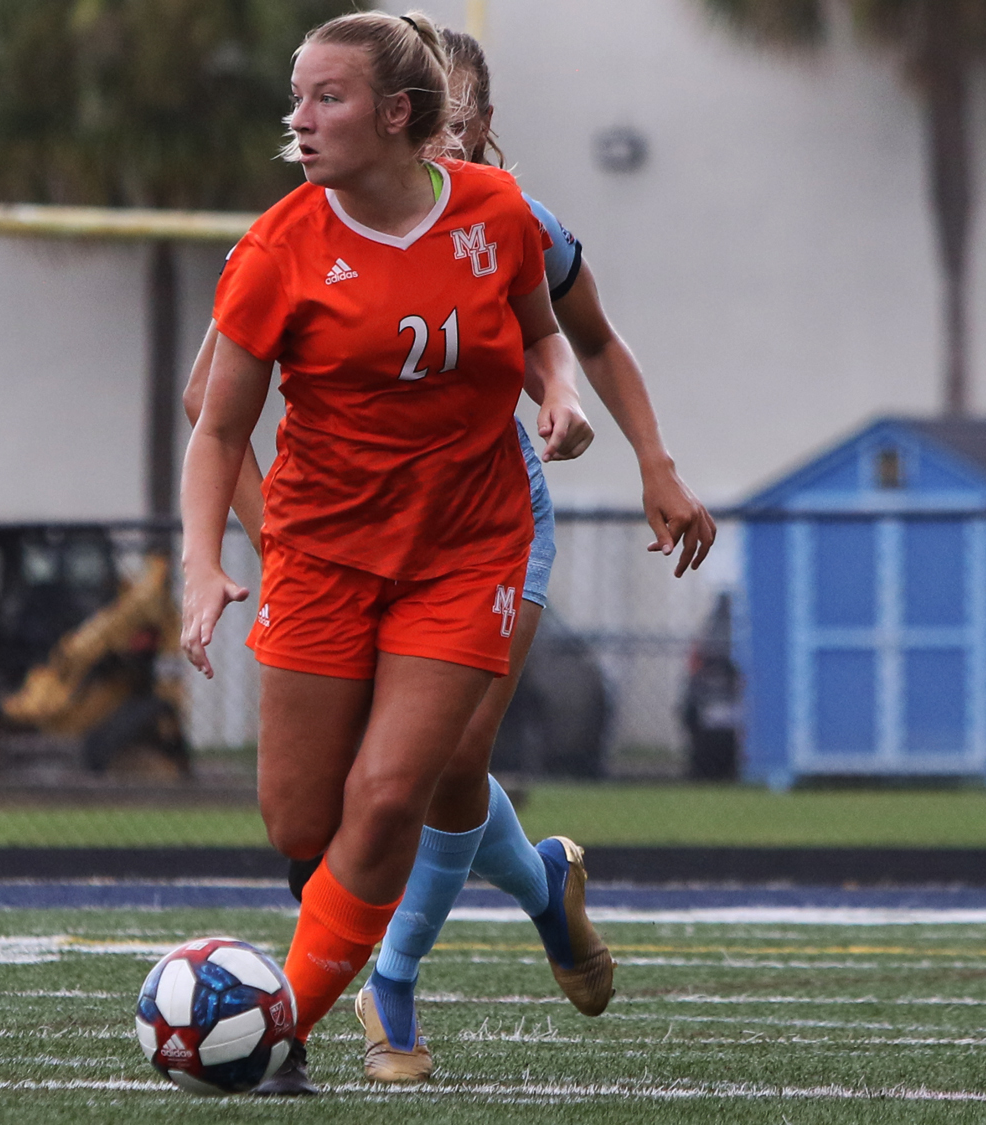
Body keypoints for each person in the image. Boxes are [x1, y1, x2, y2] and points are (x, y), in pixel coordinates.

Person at [184, 26, 719, 1085]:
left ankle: (322, 1013)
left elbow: (556, 337)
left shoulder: (502, 213)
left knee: (408, 785)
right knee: (308, 817)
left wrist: (592, 422)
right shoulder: (276, 247)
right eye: (298, 98)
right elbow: (211, 416)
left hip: (474, 539)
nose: (295, 120)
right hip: (327, 554)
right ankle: (532, 887)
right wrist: (225, 555)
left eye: (321, 98)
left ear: (411, 116)